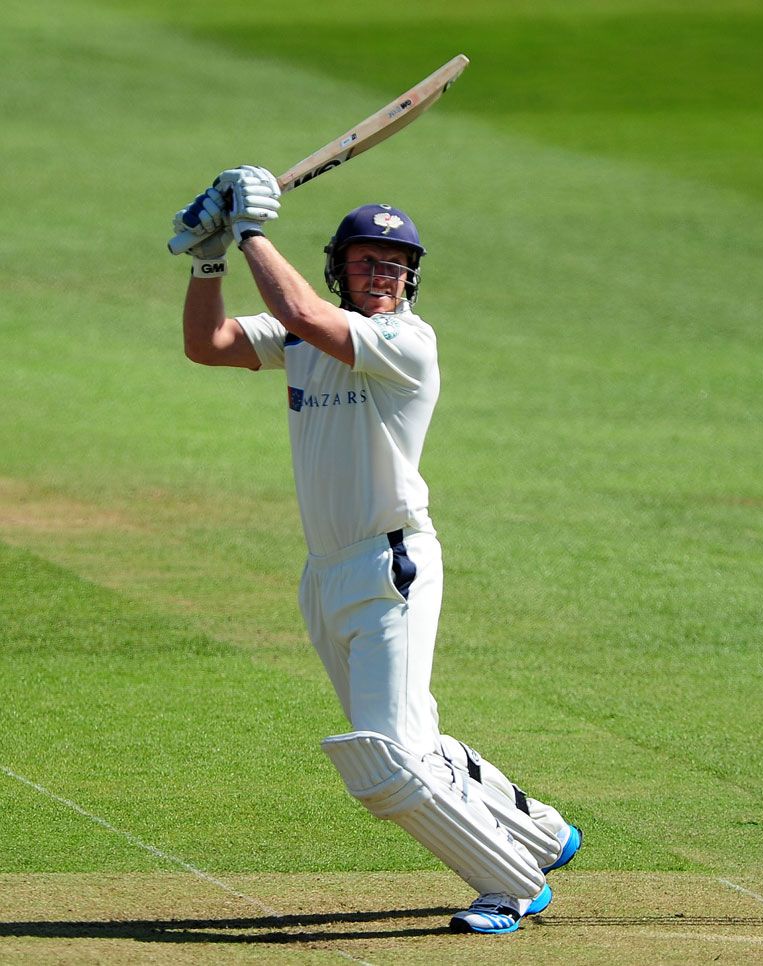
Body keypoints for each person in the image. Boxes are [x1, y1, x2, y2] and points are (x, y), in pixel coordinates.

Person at [173, 165, 582, 934]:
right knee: (412, 740)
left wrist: (247, 229)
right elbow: (209, 344)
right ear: (340, 267)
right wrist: (208, 260)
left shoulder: (405, 342)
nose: (382, 275)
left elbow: (298, 307)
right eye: (367, 262)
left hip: (390, 566)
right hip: (326, 573)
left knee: (384, 758)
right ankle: (543, 832)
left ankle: (510, 883)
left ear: (411, 278)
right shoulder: (304, 336)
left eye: (396, 265)